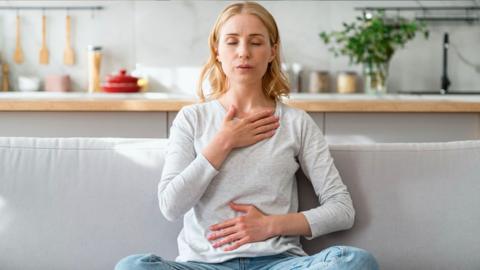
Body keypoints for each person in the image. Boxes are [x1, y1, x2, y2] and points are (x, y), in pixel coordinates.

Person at [115, 1, 379, 269]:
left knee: (356, 262)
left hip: (278, 263)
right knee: (132, 266)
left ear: (272, 51)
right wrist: (223, 142)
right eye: (232, 42)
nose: (243, 52)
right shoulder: (192, 119)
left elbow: (342, 210)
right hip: (204, 265)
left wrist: (270, 225)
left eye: (255, 42)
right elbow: (170, 206)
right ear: (217, 50)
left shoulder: (296, 122)